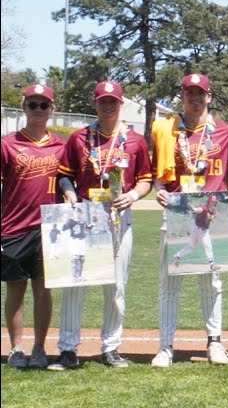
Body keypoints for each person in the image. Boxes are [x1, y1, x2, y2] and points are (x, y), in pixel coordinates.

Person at [51, 81, 154, 370]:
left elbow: (146, 178)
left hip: (119, 217)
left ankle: (110, 347)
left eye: (113, 101)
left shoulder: (134, 140)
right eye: (102, 101)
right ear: (95, 104)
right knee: (75, 284)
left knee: (116, 286)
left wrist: (132, 194)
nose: (108, 105)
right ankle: (68, 349)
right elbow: (64, 174)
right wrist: (69, 193)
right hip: (84, 216)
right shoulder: (79, 138)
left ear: (121, 104)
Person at [150, 74, 228, 368]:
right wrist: (161, 192)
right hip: (178, 211)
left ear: (209, 96)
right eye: (189, 92)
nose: (195, 97)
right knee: (170, 283)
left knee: (211, 282)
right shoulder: (168, 131)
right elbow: (157, 175)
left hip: (212, 214)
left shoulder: (225, 132)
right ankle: (165, 346)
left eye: (199, 93)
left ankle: (214, 342)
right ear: (182, 96)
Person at [1, 84, 67, 369]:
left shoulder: (62, 146)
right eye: (33, 105)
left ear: (52, 109)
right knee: (15, 290)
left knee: (43, 290)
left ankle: (39, 348)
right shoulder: (7, 144)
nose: (38, 110)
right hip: (13, 226)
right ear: (24, 107)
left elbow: (69, 180)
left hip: (49, 229)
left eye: (44, 105)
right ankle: (16, 348)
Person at [171, 193, 221, 270]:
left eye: (214, 202)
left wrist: (210, 217)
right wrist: (194, 209)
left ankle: (212, 265)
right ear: (209, 201)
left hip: (204, 231)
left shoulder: (213, 210)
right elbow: (199, 210)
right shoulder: (204, 208)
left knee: (208, 246)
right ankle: (177, 256)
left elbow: (211, 218)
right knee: (191, 247)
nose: (213, 203)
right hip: (195, 228)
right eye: (212, 201)